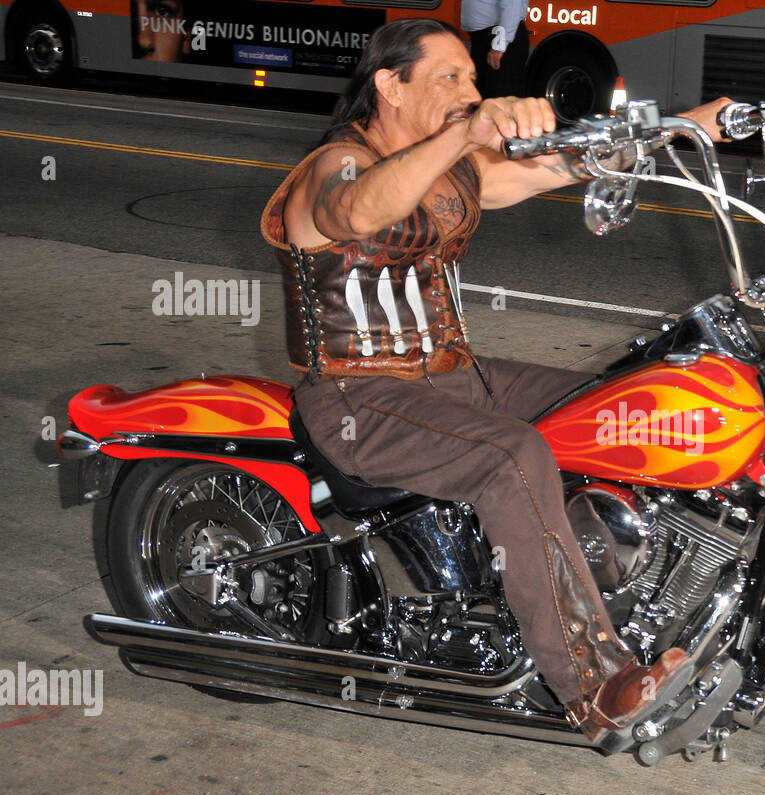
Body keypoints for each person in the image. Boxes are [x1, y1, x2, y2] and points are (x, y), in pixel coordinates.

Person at [259, 19, 730, 740]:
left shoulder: (450, 172)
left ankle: (707, 555)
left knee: (630, 397)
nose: (470, 90)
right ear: (390, 83)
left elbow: (565, 165)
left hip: (458, 378)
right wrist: (467, 130)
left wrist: (690, 125)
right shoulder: (332, 168)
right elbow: (359, 211)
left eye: (473, 79)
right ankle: (595, 686)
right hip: (361, 396)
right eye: (449, 76)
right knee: (515, 457)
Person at [461, 0, 530, 98]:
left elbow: (512, 6)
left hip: (499, 39)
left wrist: (500, 46)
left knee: (500, 99)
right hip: (485, 38)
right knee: (484, 97)